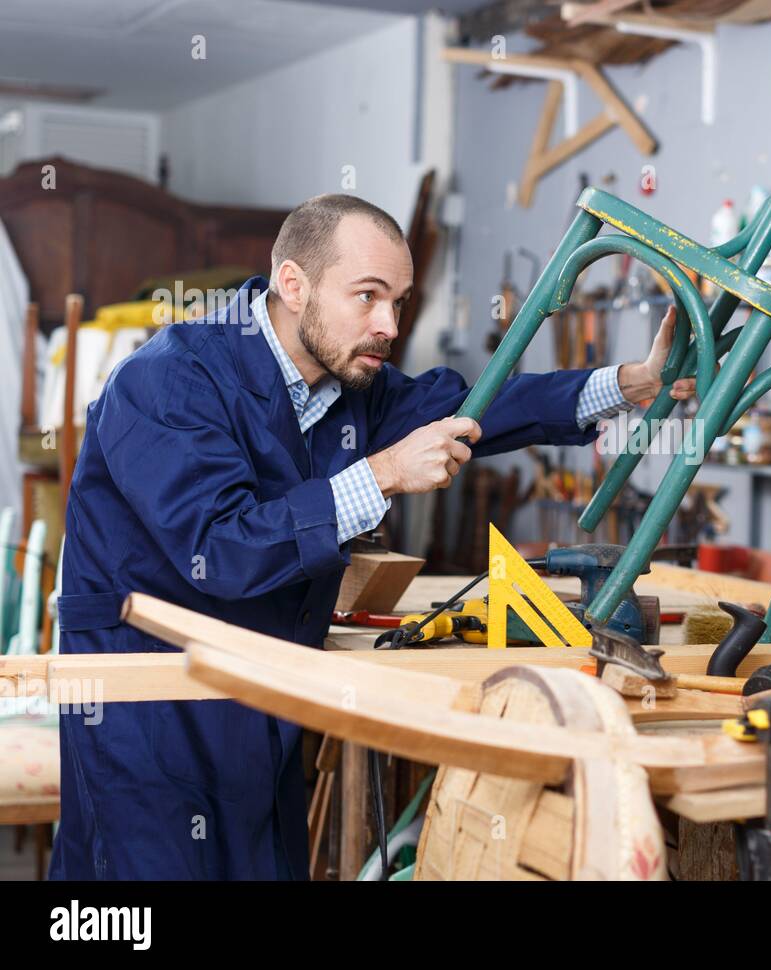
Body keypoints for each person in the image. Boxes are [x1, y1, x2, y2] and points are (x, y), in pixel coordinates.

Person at [50, 193, 694, 879]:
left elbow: (474, 411)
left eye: (400, 300)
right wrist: (382, 473)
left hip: (262, 691)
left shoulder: (351, 382)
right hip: (150, 698)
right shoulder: (167, 382)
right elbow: (224, 549)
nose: (388, 324)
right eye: (367, 296)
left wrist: (631, 383)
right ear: (293, 285)